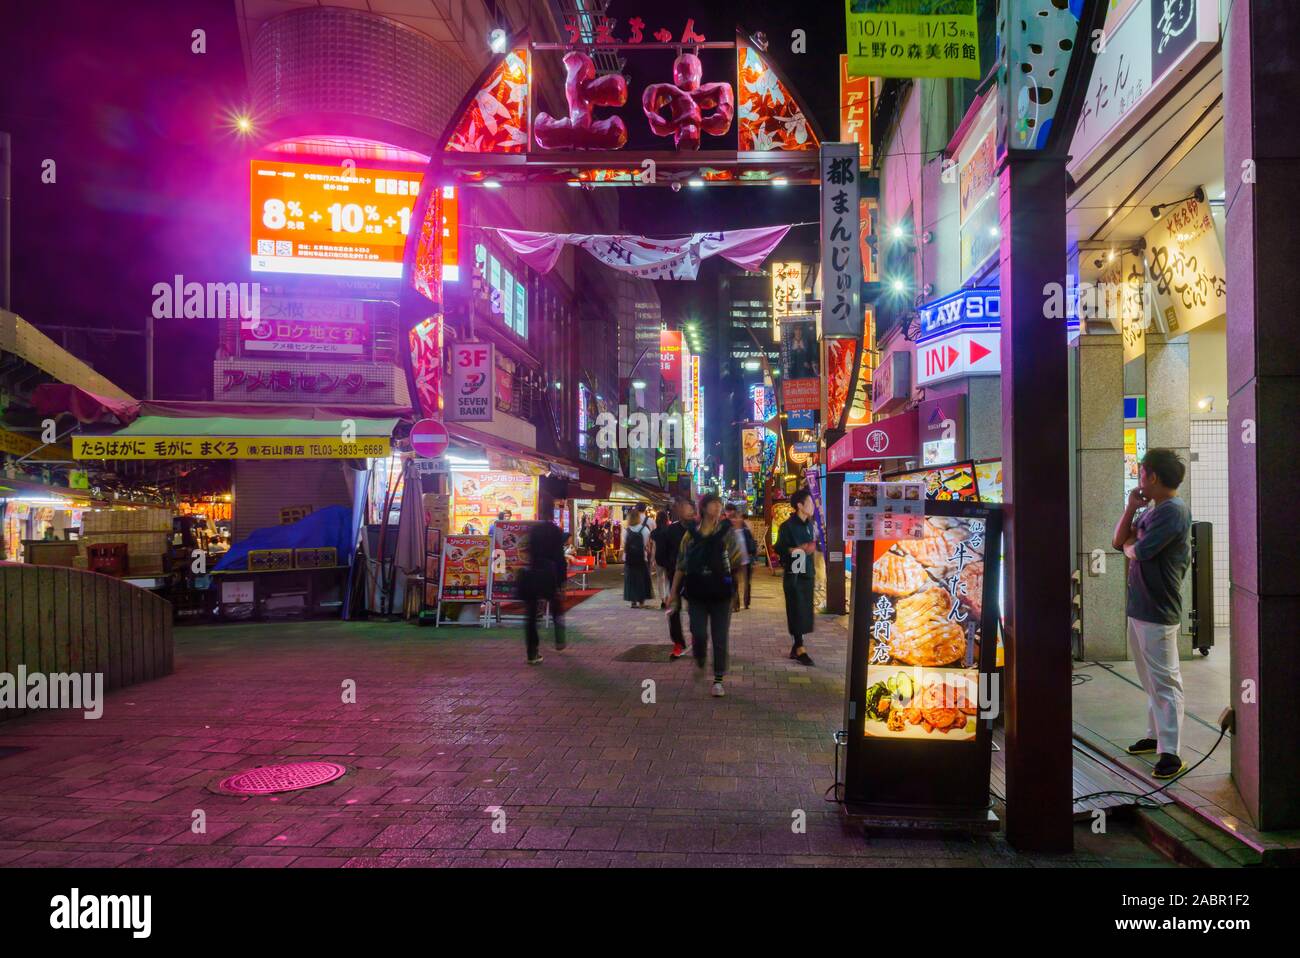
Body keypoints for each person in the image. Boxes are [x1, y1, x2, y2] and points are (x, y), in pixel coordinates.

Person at [1112, 448, 1193, 780]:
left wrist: (1132, 546)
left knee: (1165, 680)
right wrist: (1132, 506)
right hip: (1141, 606)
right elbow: (1120, 541)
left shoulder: (1172, 512)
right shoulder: (1153, 509)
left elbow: (1138, 551)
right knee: (1150, 678)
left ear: (1154, 476)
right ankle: (1154, 735)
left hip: (1158, 608)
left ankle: (1170, 752)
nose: (1139, 477)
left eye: (1142, 472)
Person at [667, 493, 743, 697]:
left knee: (720, 636)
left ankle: (718, 679)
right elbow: (681, 566)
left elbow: (737, 563)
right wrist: (673, 593)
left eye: (719, 504)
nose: (717, 507)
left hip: (721, 593)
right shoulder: (691, 534)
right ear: (704, 507)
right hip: (696, 592)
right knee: (698, 633)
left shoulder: (727, 533)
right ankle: (700, 658)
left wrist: (738, 593)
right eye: (713, 504)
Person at [519, 502, 568, 665]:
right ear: (552, 516)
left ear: (539, 515)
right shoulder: (556, 531)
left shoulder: (533, 531)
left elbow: (529, 552)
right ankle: (559, 637)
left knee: (531, 615)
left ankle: (532, 652)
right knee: (555, 605)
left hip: (533, 572)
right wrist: (562, 581)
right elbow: (560, 558)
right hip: (550, 574)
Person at [775, 488, 818, 666]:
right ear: (800, 505)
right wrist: (794, 550)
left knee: (805, 609)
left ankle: (796, 645)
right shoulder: (787, 526)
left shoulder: (810, 524)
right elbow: (778, 548)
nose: (812, 506)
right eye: (809, 502)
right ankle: (800, 647)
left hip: (807, 569)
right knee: (796, 607)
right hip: (794, 569)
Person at [658, 500, 695, 654]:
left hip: (695, 577)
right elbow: (661, 555)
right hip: (674, 575)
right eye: (681, 507)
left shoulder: (699, 530)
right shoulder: (670, 530)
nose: (684, 510)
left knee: (695, 609)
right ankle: (678, 641)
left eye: (687, 508)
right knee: (673, 609)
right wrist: (669, 568)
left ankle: (696, 635)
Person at [724, 504, 754, 612]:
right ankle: (735, 604)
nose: (735, 520)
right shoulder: (728, 532)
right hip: (733, 562)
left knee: (746, 583)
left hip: (746, 560)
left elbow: (751, 544)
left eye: (737, 518)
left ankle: (746, 601)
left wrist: (752, 553)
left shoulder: (745, 531)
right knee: (734, 582)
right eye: (733, 518)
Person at [622, 507, 653, 608]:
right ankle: (641, 602)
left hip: (629, 559)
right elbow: (647, 545)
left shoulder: (626, 531)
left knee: (631, 580)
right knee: (641, 580)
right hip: (641, 558)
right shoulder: (645, 530)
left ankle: (633, 601)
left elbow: (624, 546)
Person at [650, 509, 672, 607]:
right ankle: (667, 596)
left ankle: (662, 599)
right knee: (668, 579)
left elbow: (654, 547)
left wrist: (652, 559)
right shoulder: (670, 530)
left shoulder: (654, 532)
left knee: (659, 578)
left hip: (658, 556)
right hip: (668, 557)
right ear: (666, 519)